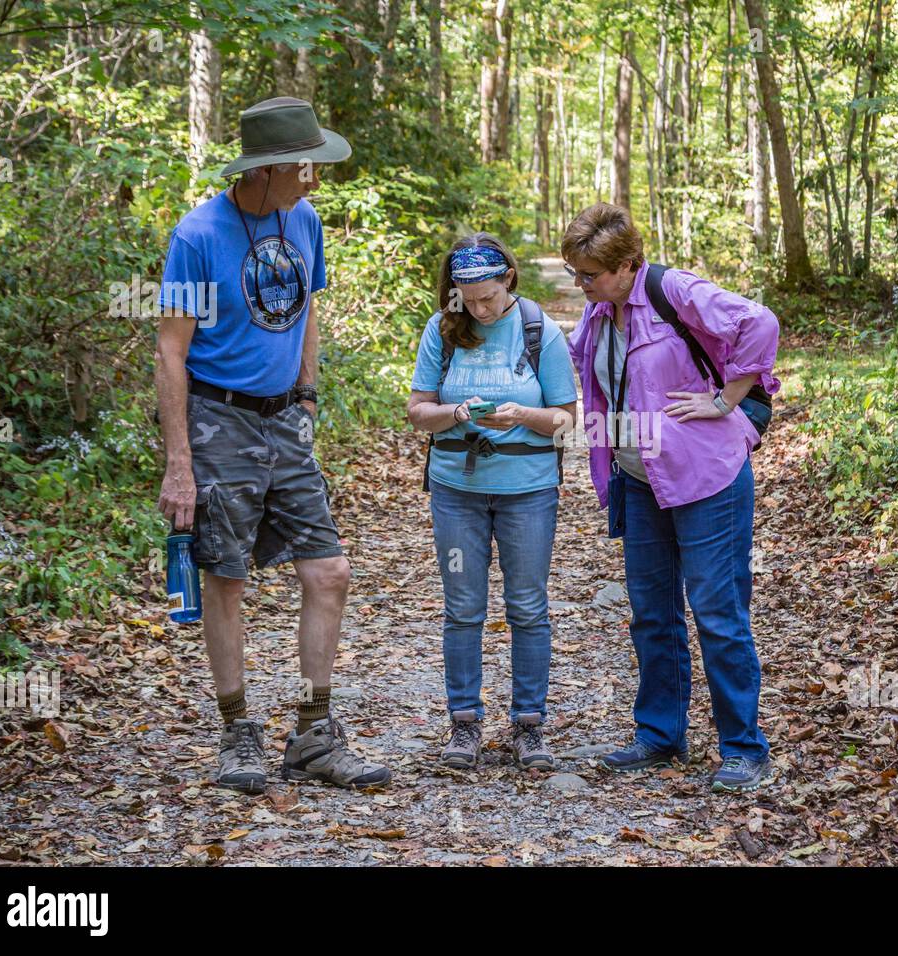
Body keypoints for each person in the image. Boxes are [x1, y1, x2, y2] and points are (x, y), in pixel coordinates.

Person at [155, 97, 390, 792]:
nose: (315, 179)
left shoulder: (304, 219)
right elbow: (171, 352)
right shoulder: (198, 235)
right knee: (226, 578)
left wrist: (309, 392)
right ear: (270, 168)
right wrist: (180, 464)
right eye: (307, 167)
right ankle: (237, 734)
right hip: (217, 419)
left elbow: (308, 306)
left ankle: (314, 735)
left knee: (329, 572)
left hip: (286, 419)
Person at [561, 202, 780, 792]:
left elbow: (759, 321)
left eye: (589, 275)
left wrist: (726, 399)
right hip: (641, 481)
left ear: (628, 264)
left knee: (718, 614)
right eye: (575, 272)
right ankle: (661, 736)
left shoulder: (672, 289)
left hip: (705, 477)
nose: (579, 285)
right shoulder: (600, 314)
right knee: (653, 615)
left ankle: (743, 748)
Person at [408, 234, 578, 771]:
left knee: (527, 606)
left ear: (508, 278)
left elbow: (566, 418)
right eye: (467, 298)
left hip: (527, 491)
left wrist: (522, 417)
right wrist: (457, 413)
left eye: (487, 296)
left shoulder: (538, 331)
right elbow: (417, 411)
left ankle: (529, 725)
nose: (478, 309)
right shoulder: (443, 330)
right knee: (462, 607)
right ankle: (464, 724)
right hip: (457, 489)